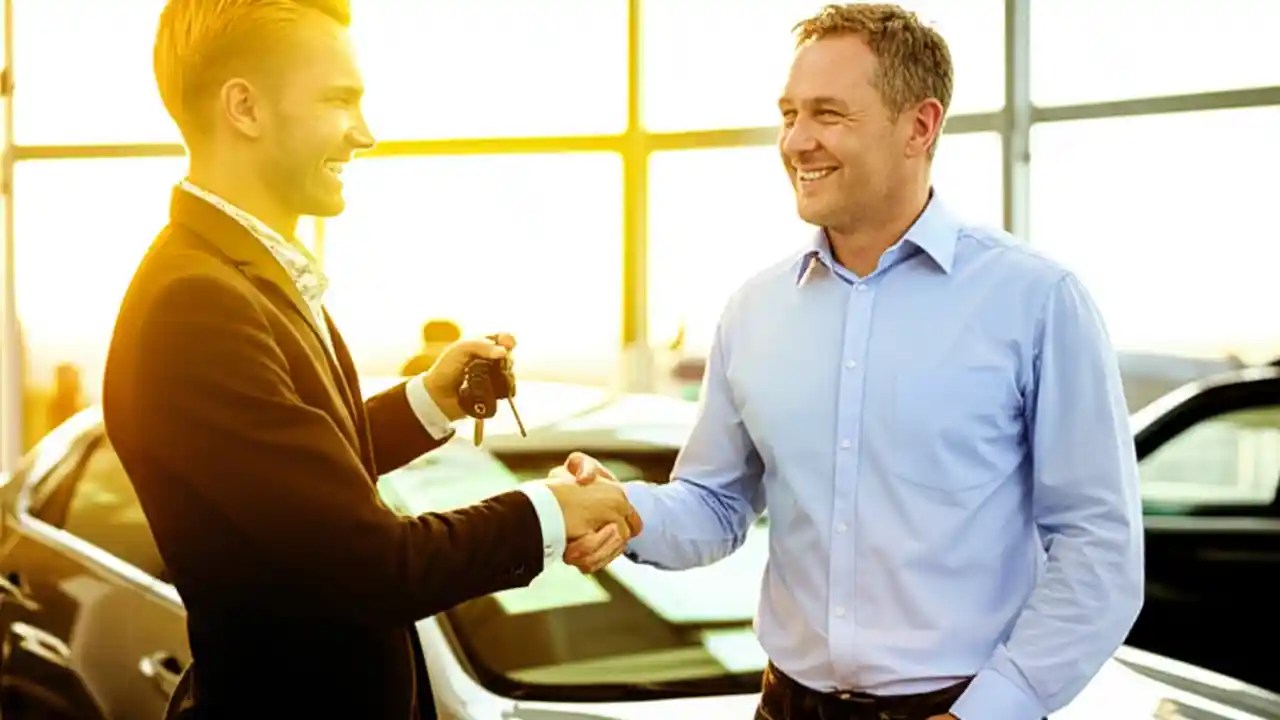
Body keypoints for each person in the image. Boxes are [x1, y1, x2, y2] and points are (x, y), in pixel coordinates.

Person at [566, 4, 1144, 720]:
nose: (796, 141)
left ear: (920, 127)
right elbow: (717, 503)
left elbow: (1099, 551)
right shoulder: (754, 310)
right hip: (787, 706)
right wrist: (630, 511)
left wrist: (996, 708)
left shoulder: (1036, 301)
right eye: (789, 113)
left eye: (829, 115)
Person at [102, 2, 637, 718]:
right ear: (244, 107)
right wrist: (550, 512)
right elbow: (369, 565)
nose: (366, 133)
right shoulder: (197, 305)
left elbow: (291, 485)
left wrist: (429, 402)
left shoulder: (234, 276)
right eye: (339, 100)